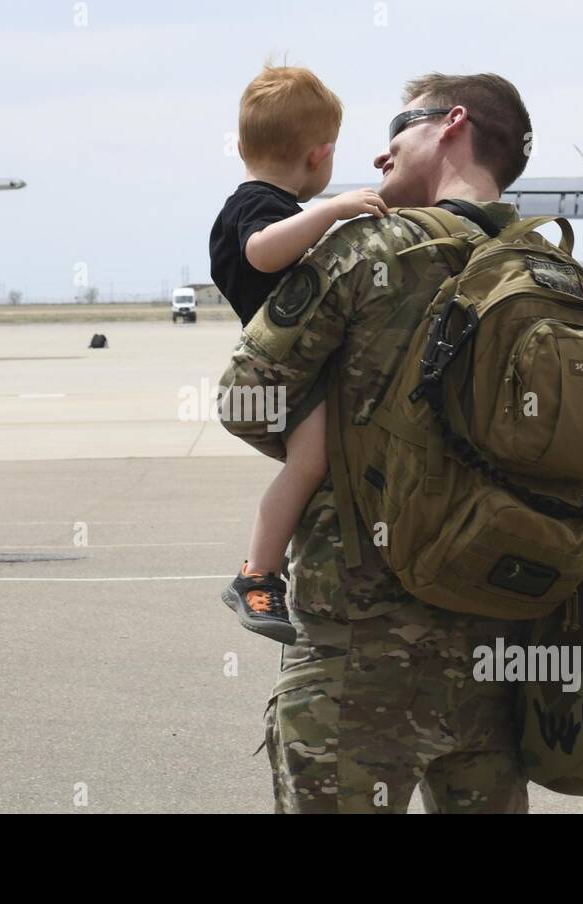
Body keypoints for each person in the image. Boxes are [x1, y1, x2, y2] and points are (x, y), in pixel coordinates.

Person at [219, 73, 536, 813]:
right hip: (499, 644)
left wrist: (336, 439)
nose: (379, 152)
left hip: (360, 649)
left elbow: (245, 399)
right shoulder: (546, 267)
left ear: (452, 125)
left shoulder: (369, 250)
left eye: (400, 128)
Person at [209, 64, 387, 645]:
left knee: (324, 467)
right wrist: (331, 211)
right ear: (321, 155)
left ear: (242, 145)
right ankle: (257, 573)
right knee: (309, 465)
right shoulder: (257, 205)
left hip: (295, 371)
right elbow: (261, 252)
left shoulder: (269, 202)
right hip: (285, 376)